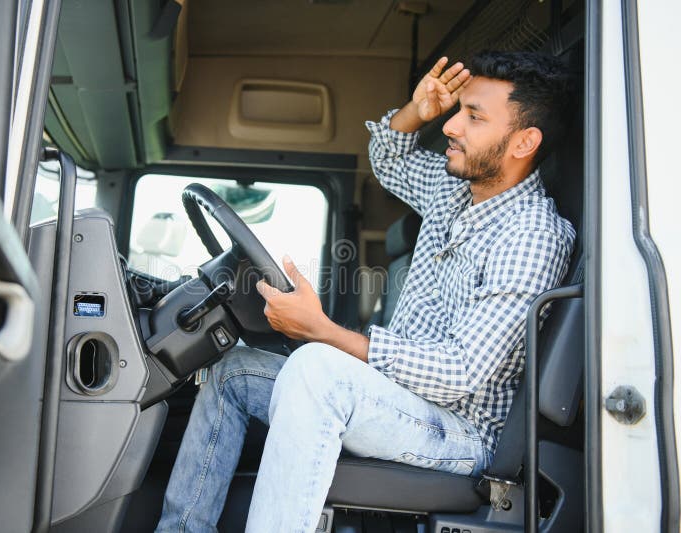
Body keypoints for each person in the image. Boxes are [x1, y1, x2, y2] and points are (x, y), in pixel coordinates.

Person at [156, 50, 575, 533]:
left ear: (524, 141)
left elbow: (461, 372)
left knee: (318, 369)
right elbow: (389, 158)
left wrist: (324, 332)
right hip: (400, 398)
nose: (452, 127)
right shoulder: (454, 191)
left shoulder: (533, 234)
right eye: (458, 111)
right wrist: (418, 111)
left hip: (462, 434)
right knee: (233, 371)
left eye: (473, 117)